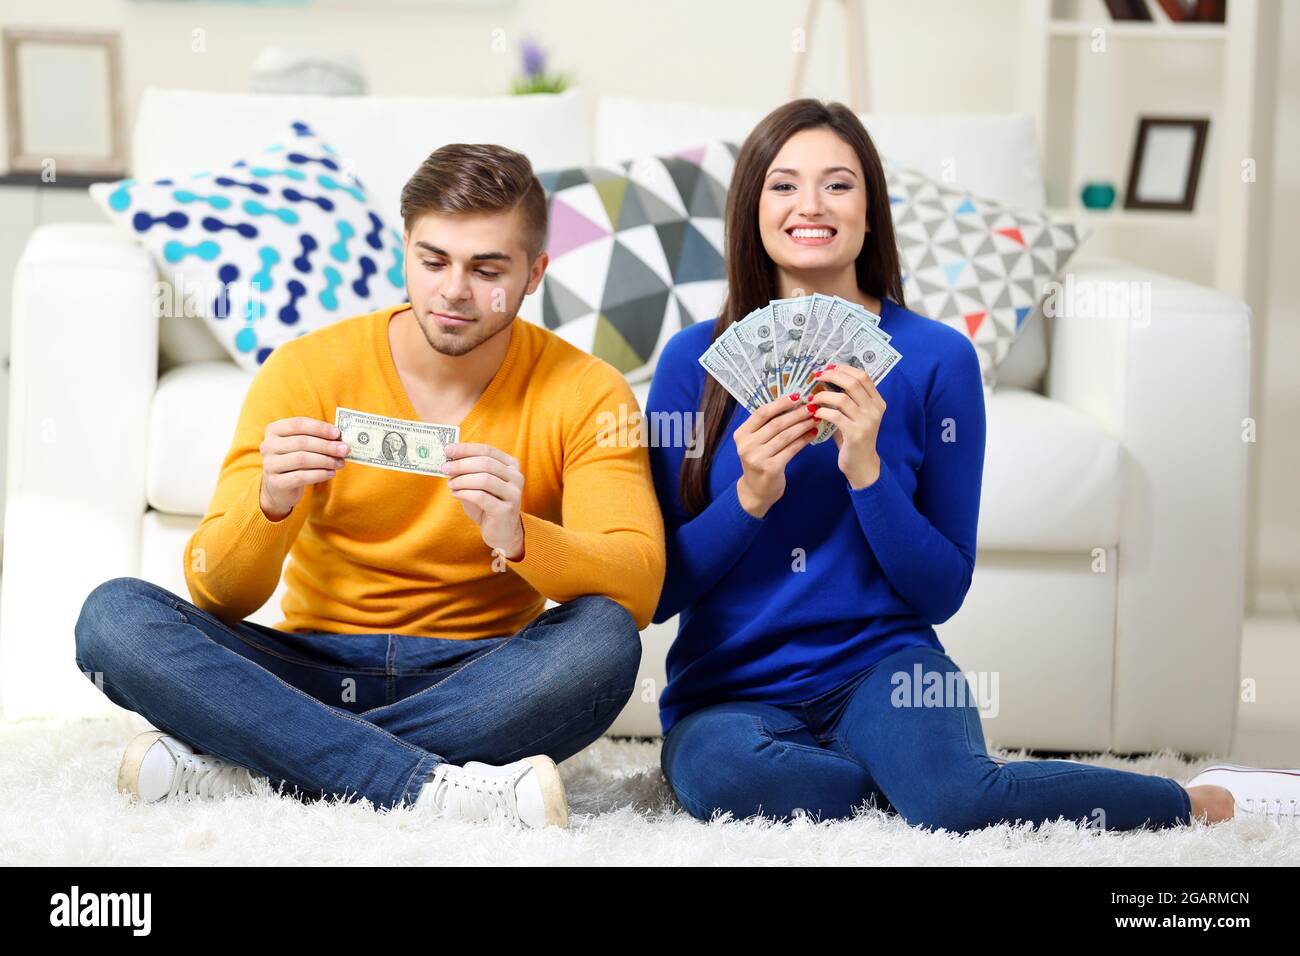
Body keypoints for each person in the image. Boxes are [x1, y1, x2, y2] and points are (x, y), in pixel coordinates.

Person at [645, 98, 1299, 834]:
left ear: (871, 210)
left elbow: (942, 588)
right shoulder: (691, 364)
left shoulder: (936, 359)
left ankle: (1202, 801)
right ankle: (905, 780)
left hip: (883, 670)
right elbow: (661, 591)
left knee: (957, 799)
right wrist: (750, 496)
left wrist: (867, 472)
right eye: (784, 185)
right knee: (727, 778)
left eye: (839, 183)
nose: (811, 206)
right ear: (751, 208)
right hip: (728, 689)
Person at [74, 143, 667, 829]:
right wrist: (270, 505)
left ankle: (261, 760)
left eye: (487, 269)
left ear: (535, 273)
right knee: (112, 617)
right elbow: (218, 592)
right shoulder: (305, 370)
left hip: (481, 678)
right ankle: (429, 786)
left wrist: (520, 534)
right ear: (403, 251)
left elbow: (639, 584)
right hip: (303, 664)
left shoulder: (588, 392)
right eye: (433, 259)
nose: (452, 291)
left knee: (606, 641)